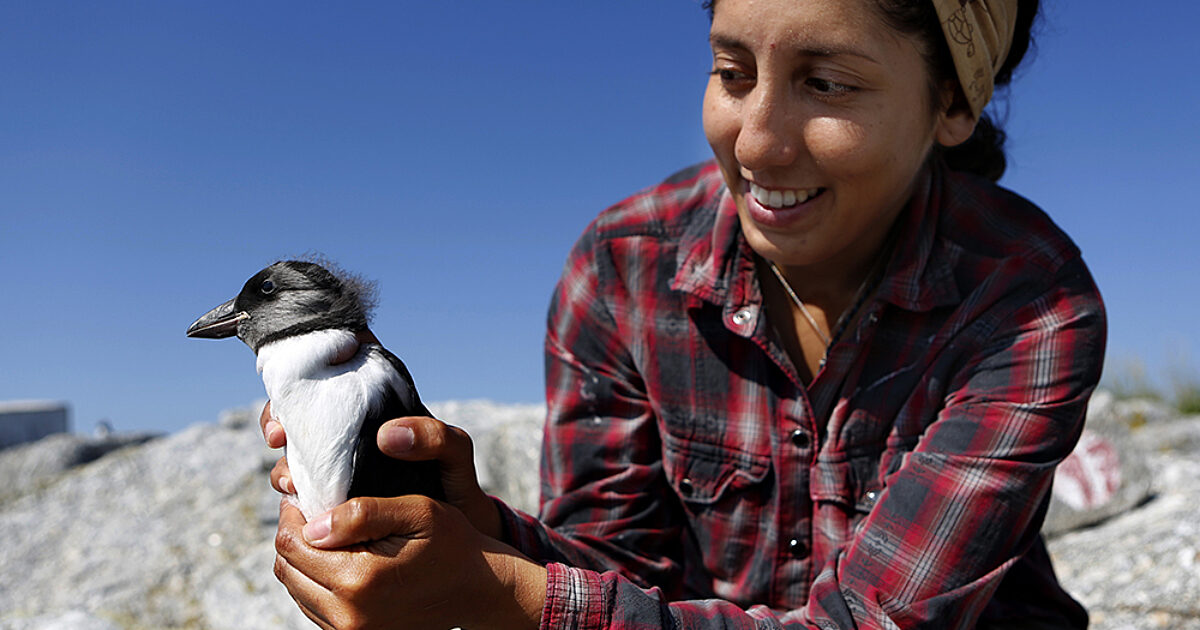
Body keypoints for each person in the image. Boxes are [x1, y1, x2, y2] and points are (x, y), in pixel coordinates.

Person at [264, 0, 1106, 627]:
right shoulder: (625, 267)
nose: (756, 142)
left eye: (830, 84)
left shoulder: (1028, 305)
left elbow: (876, 620)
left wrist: (506, 595)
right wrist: (470, 527)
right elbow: (621, 569)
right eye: (732, 73)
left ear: (955, 103)